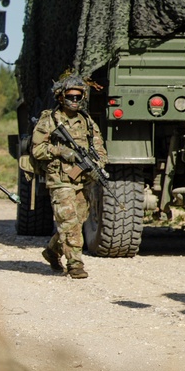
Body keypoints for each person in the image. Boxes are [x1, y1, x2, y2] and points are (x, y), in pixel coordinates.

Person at [30, 71, 107, 280]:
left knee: (75, 222)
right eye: (70, 97)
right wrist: (61, 151)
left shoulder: (87, 122)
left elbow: (100, 150)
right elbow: (37, 150)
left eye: (78, 97)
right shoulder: (50, 120)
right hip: (60, 181)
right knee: (69, 222)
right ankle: (75, 264)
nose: (74, 101)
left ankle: (52, 251)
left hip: (83, 181)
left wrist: (97, 165)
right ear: (61, 97)